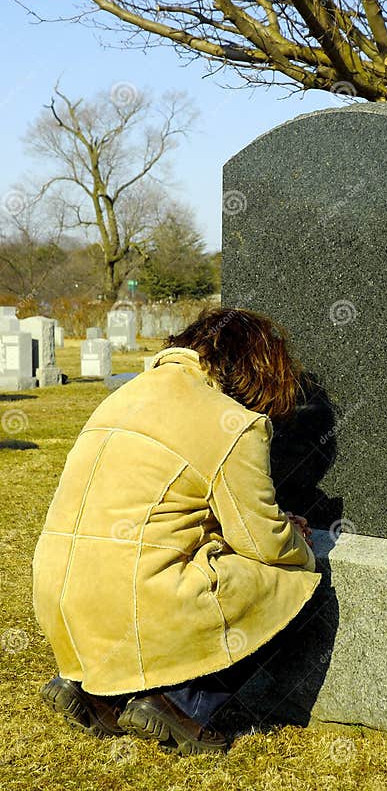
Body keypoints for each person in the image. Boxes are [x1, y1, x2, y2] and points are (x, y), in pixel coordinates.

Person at [32, 306, 322, 756]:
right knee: (289, 578)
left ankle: (93, 688)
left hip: (59, 592)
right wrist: (298, 543)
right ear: (259, 366)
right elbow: (261, 541)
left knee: (142, 563)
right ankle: (178, 703)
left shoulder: (127, 394)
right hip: (133, 599)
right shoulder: (234, 423)